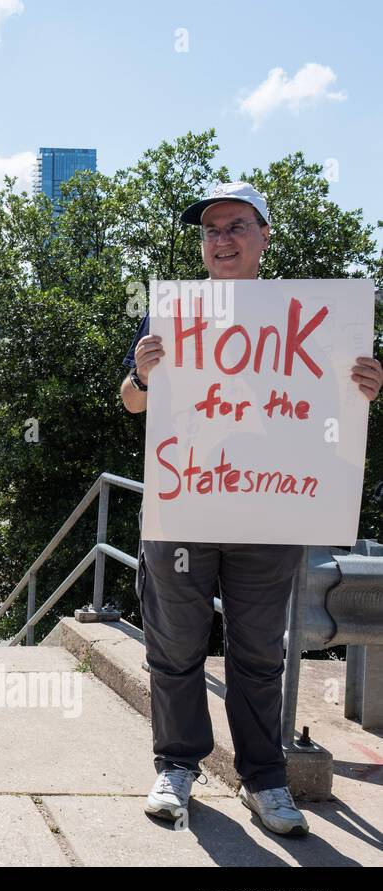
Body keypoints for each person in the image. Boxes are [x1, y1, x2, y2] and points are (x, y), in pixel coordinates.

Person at [120, 182, 383, 836]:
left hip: (271, 511)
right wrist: (144, 376)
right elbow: (130, 402)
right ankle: (177, 766)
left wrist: (365, 390)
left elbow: (333, 413)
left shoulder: (311, 314)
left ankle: (264, 780)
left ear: (265, 236)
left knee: (261, 653)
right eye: (211, 230)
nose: (222, 240)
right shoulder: (172, 312)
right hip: (184, 509)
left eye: (236, 226)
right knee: (174, 646)